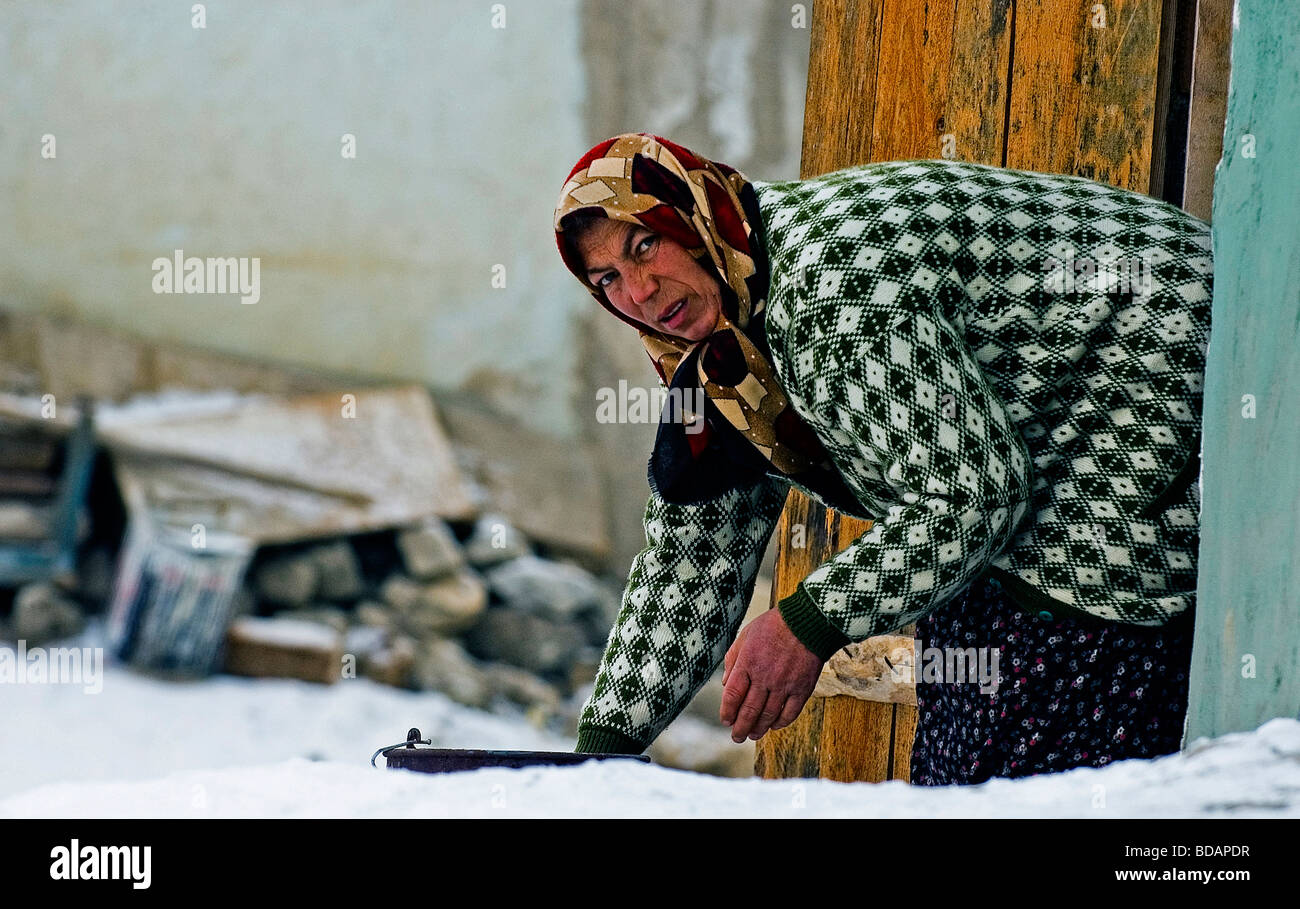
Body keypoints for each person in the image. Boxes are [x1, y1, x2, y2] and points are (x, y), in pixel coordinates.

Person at [552, 132, 1210, 785]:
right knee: (964, 662)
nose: (638, 291)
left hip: (1152, 350)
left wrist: (808, 623)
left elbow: (972, 494)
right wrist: (599, 754)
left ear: (695, 218)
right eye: (607, 278)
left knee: (1052, 677)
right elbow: (691, 561)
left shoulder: (833, 292)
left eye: (646, 245)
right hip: (1033, 442)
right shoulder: (719, 356)